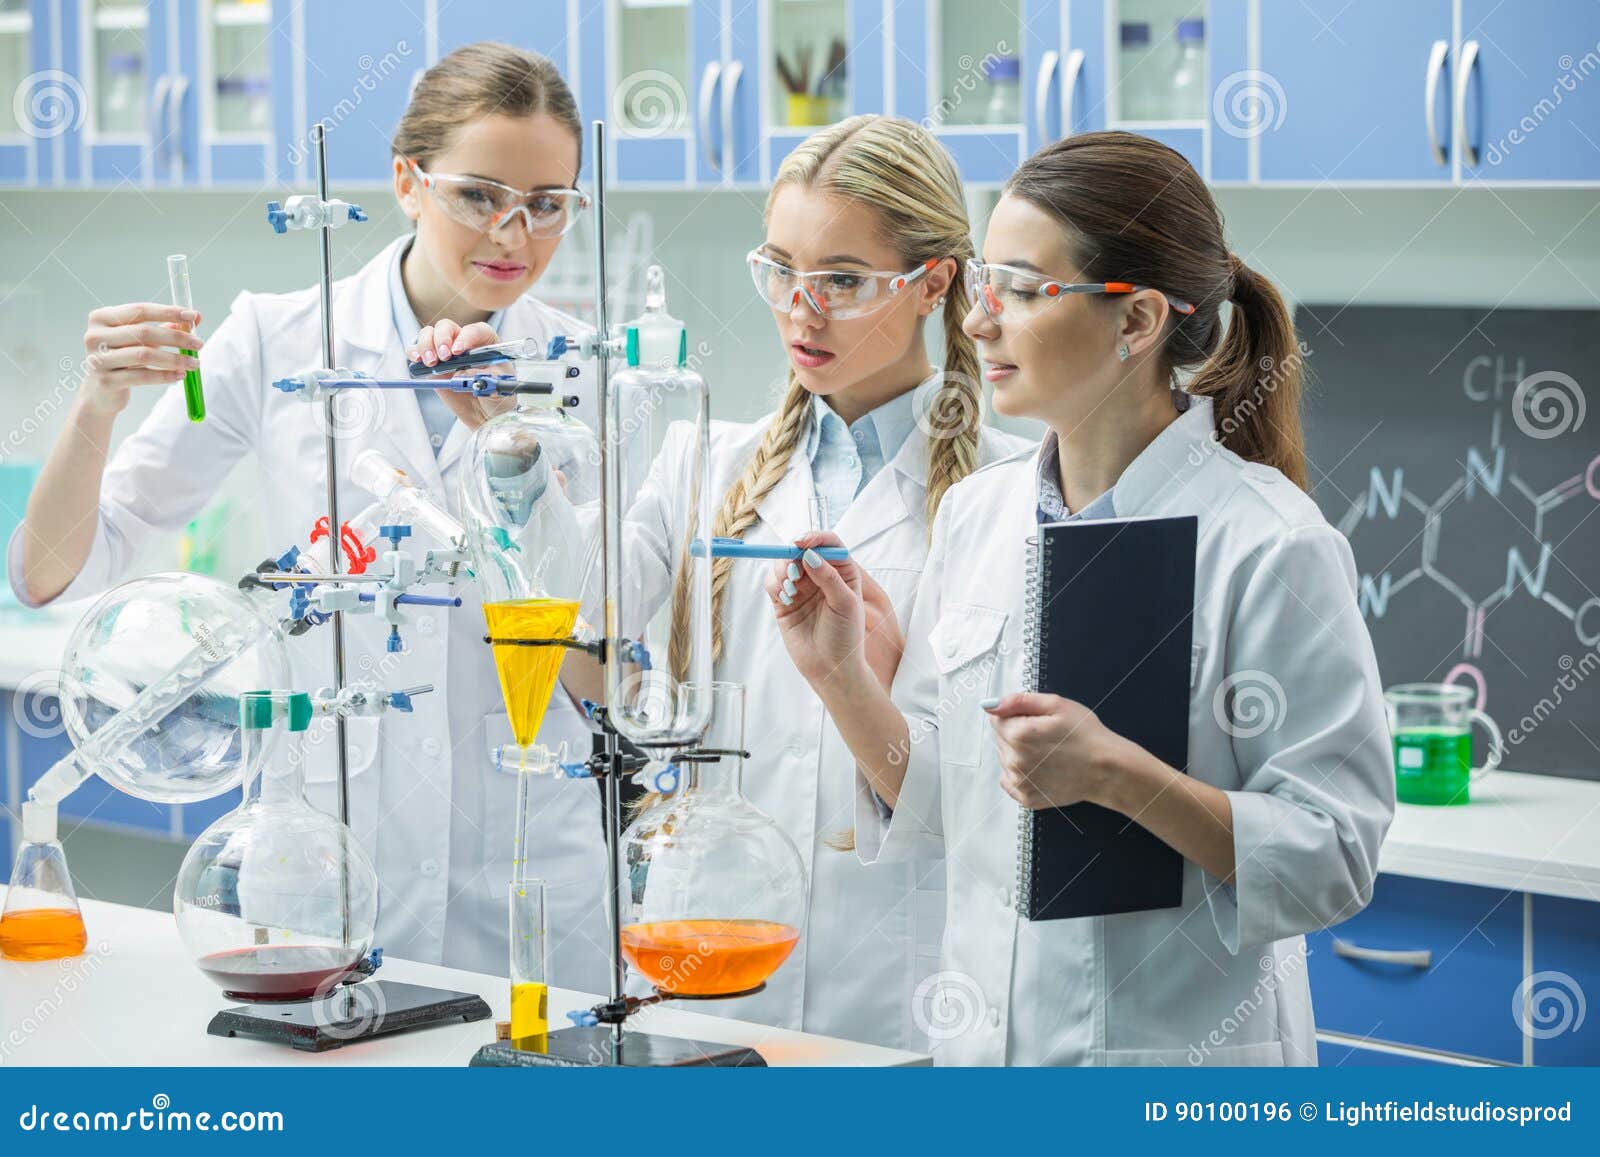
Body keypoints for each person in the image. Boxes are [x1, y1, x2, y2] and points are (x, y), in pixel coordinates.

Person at [767, 131, 1395, 1065]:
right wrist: (844, 679)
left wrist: (1120, 777)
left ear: (1136, 320)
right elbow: (945, 810)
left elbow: (1332, 860)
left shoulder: (1269, 542)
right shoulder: (982, 514)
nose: (978, 324)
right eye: (985, 284)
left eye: (1021, 291)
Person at [11, 43, 610, 986]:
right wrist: (95, 403)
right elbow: (56, 570)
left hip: (531, 871)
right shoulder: (277, 338)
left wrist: (516, 460)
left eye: (548, 205)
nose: (515, 234)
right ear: (407, 181)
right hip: (327, 860)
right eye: (480, 195)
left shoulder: (586, 372)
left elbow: (606, 660)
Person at [432, 114, 1033, 1051]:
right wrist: (508, 444)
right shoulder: (704, 459)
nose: (802, 307)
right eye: (782, 270)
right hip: (701, 944)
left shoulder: (1013, 491)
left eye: (842, 279)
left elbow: (985, 790)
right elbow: (579, 606)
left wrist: (852, 680)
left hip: (895, 972)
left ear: (934, 282)